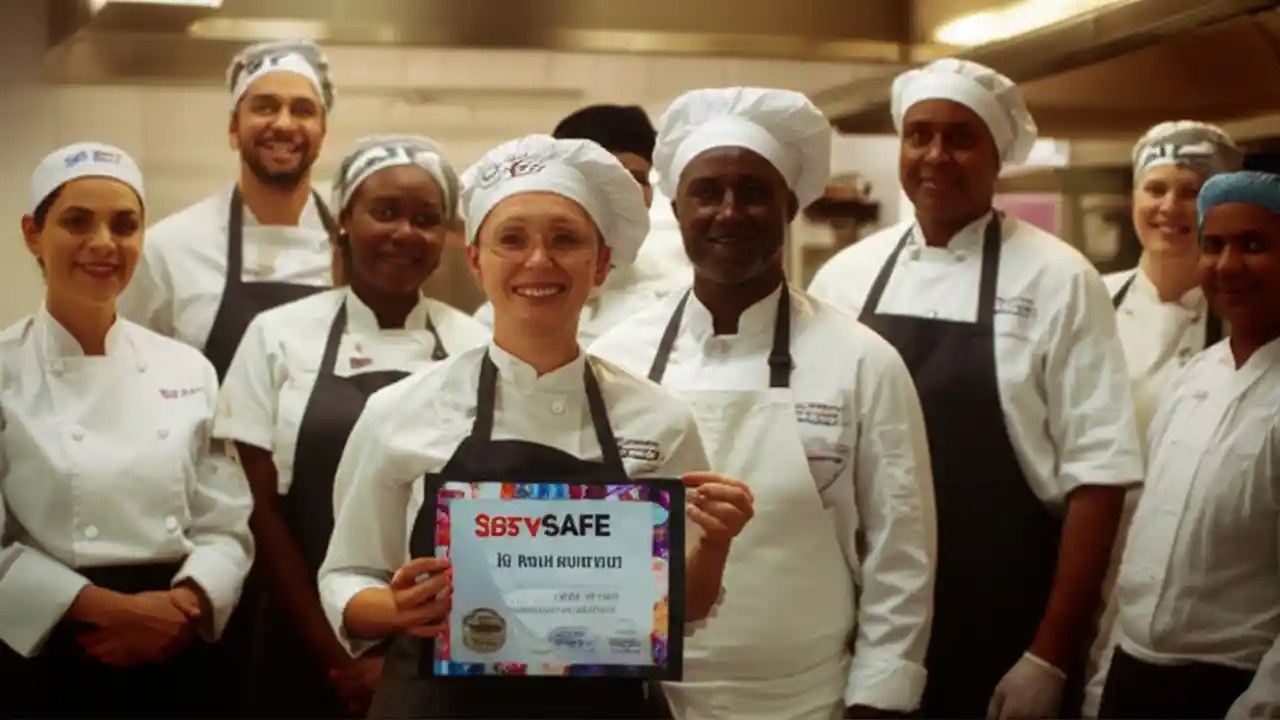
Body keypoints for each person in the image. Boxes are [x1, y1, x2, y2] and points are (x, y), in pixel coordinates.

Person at [317, 134, 754, 719]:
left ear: (600, 263)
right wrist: (395, 609)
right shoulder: (403, 410)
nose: (538, 262)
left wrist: (718, 542)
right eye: (512, 239)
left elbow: (683, 608)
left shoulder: (659, 419)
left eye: (566, 240)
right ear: (476, 260)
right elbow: (346, 574)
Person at [809, 58, 1144, 720]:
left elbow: (1098, 479)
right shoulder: (845, 279)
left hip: (1004, 615)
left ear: (998, 156)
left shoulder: (1058, 279)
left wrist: (1050, 654)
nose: (935, 155)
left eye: (960, 137)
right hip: (862, 611)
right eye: (919, 135)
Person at [590, 87, 937, 719]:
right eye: (707, 191)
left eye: (753, 191)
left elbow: (901, 551)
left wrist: (878, 697)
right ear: (677, 205)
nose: (729, 211)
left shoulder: (861, 361)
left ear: (789, 207)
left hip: (806, 697)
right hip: (645, 695)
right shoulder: (618, 356)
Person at [214, 135, 490, 718]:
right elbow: (257, 507)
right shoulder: (277, 335)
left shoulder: (475, 344)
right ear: (344, 220)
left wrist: (399, 658)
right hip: (300, 635)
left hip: (441, 643)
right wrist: (339, 652)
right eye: (384, 212)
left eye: (426, 219)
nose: (405, 233)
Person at [0, 143, 254, 718]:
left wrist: (186, 605)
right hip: (48, 642)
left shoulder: (189, 369)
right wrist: (111, 611)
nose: (103, 243)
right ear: (32, 233)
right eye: (76, 221)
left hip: (176, 642)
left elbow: (225, 522)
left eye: (125, 224)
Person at [1095, 170, 1280, 719]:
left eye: (1254, 245)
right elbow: (1142, 551)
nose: (1228, 266)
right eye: (1213, 245)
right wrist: (1100, 685)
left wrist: (1262, 707)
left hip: (1234, 688)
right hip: (1131, 674)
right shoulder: (1194, 378)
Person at [1081, 119, 1244, 717]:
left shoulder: (1252, 323)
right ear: (1133, 198)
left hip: (1203, 605)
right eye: (1155, 188)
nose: (1169, 206)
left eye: (1192, 190)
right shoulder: (1088, 302)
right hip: (1085, 569)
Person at [118, 39, 338, 380]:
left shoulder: (357, 248)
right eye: (265, 107)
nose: (283, 123)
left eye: (303, 110)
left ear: (322, 133)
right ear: (233, 129)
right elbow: (127, 374)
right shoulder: (169, 250)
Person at [472, 104, 692, 344]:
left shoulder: (675, 292)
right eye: (613, 178)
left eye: (638, 178)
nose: (629, 192)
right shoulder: (492, 320)